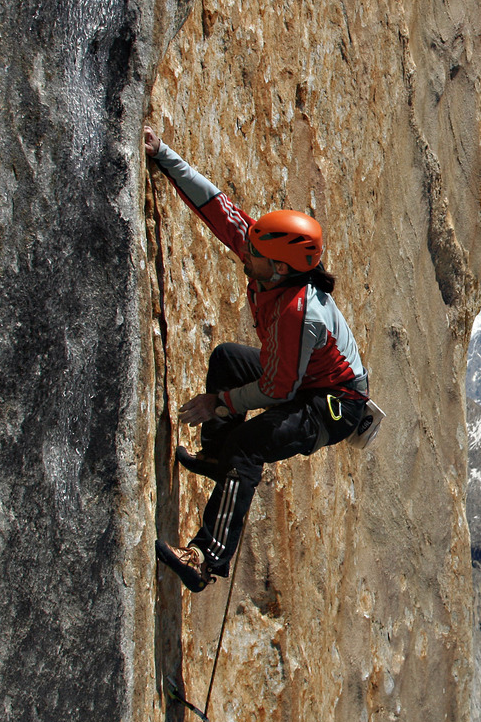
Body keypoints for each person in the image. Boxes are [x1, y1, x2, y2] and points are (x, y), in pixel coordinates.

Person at [143, 125, 378, 591]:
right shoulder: (270, 262)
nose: (244, 251)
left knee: (249, 446)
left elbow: (277, 390)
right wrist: (163, 154)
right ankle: (217, 457)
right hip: (307, 381)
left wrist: (219, 403)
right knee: (229, 359)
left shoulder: (298, 313)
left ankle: (205, 560)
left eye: (255, 251)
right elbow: (217, 209)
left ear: (280, 266)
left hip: (333, 405)